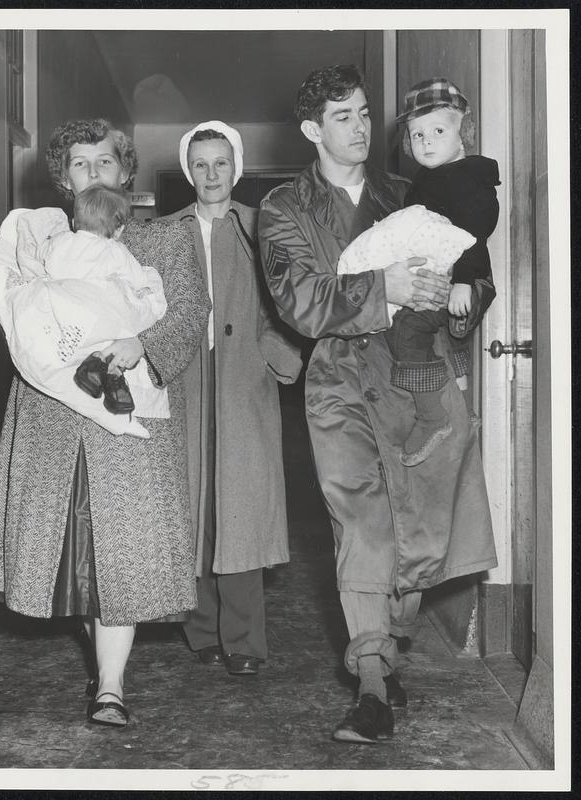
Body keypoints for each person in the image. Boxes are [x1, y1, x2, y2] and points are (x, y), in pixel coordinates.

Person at [258, 65, 497, 743]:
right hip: (336, 383)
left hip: (412, 379)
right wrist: (382, 286)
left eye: (364, 114)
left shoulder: (411, 192)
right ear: (311, 129)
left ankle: (388, 641)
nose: (360, 128)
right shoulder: (284, 208)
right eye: (342, 117)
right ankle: (369, 682)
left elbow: (471, 272)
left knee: (417, 532)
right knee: (359, 525)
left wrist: (462, 304)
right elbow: (300, 301)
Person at [0, 118, 211, 727]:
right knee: (77, 554)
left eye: (104, 162)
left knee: (123, 553)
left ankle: (111, 686)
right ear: (64, 178)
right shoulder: (41, 239)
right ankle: (102, 662)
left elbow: (189, 311)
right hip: (54, 420)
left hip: (129, 418)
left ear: (125, 171)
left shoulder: (162, 240)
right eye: (80, 165)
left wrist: (144, 344)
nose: (93, 173)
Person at [164, 121, 302, 675]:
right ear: (188, 171)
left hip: (244, 378)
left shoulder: (263, 226)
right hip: (184, 380)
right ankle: (202, 631)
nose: (211, 174)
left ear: (236, 167)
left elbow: (294, 300)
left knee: (241, 509)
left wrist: (274, 355)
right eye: (200, 164)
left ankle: (243, 641)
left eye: (221, 162)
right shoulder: (166, 232)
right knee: (191, 501)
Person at [0, 183, 170, 438]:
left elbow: (38, 257)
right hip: (101, 315)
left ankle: (93, 369)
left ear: (74, 222)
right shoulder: (116, 251)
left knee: (72, 341)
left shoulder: (61, 242)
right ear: (118, 229)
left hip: (68, 315)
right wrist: (147, 281)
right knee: (133, 308)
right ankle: (110, 375)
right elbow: (137, 279)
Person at [386, 77, 499, 465]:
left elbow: (474, 229)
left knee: (407, 331)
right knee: (449, 342)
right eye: (417, 135)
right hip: (448, 277)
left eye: (437, 130)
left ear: (462, 131)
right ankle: (463, 407)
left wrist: (464, 281)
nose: (427, 141)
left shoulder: (465, 176)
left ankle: (432, 416)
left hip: (464, 277)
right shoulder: (426, 181)